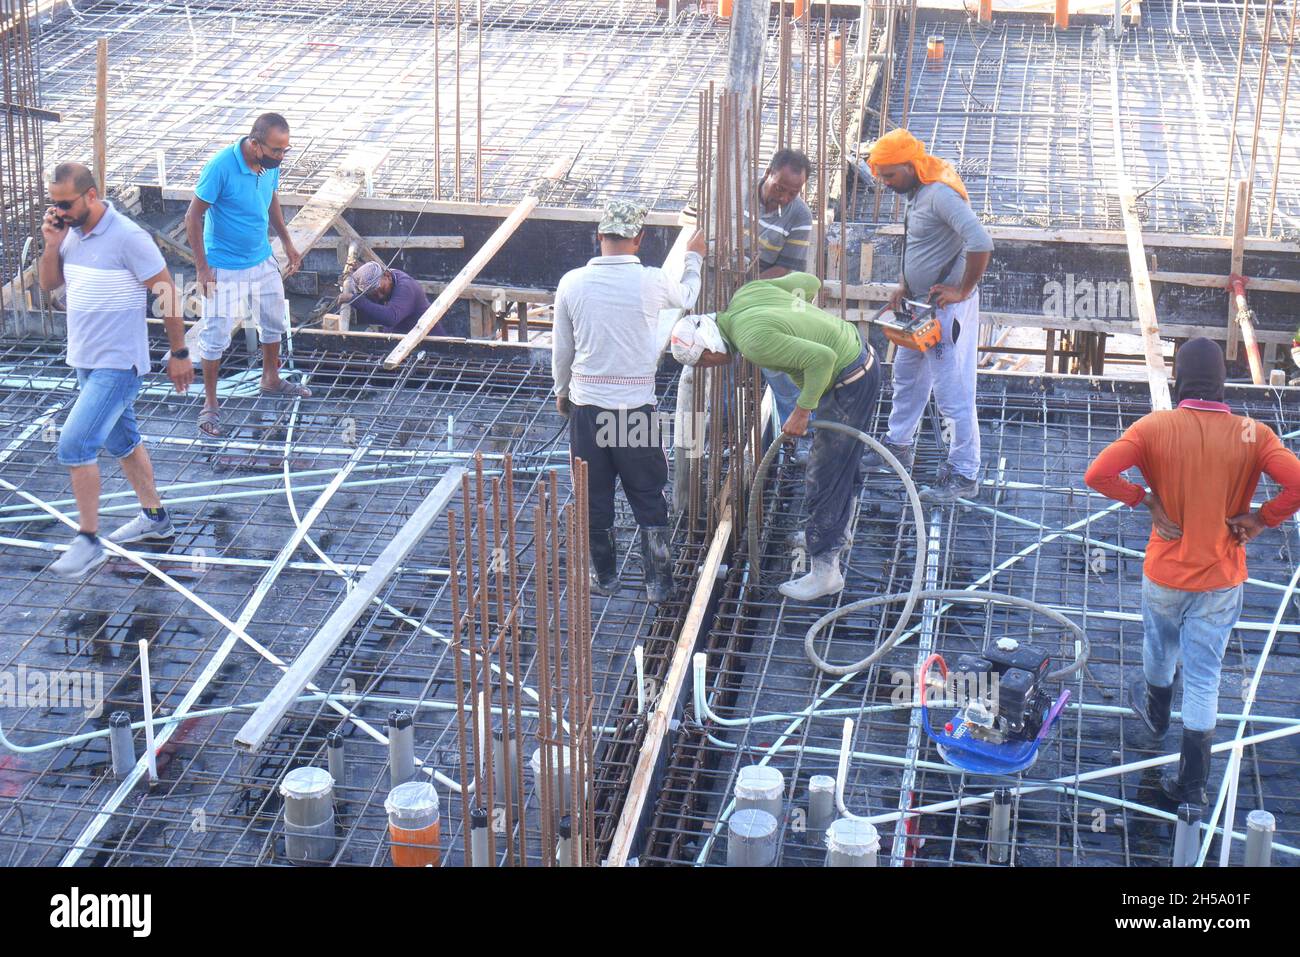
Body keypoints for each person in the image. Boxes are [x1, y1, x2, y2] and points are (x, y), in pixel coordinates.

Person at [1084, 338, 1300, 806]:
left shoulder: (1154, 427)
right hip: (1221, 579)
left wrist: (1144, 499)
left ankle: (1156, 717)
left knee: (1159, 647)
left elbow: (1097, 474)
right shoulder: (1254, 433)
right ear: (1223, 382)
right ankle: (1191, 785)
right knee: (1205, 675)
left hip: (1165, 573)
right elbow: (1298, 483)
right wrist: (1263, 518)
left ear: (1179, 380)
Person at [671, 271, 881, 601]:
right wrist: (797, 321)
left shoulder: (753, 342)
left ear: (709, 348)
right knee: (843, 465)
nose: (710, 366)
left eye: (705, 362)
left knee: (825, 475)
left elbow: (822, 359)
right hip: (859, 359)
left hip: (849, 381)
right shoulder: (744, 296)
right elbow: (810, 283)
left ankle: (826, 573)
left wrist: (801, 411)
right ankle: (837, 534)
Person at [38, 162, 194, 578]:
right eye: (54, 204)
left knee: (74, 446)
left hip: (118, 364)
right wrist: (52, 244)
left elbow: (165, 291)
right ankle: (156, 519)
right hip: (85, 361)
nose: (59, 211)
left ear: (90, 195)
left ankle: (88, 540)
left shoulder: (128, 237)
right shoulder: (68, 233)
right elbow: (49, 285)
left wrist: (179, 352)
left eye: (65, 204)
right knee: (124, 442)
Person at [552, 200, 705, 603]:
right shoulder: (652, 281)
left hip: (587, 411)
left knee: (593, 496)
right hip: (633, 412)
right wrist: (694, 258)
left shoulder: (571, 282)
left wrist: (561, 392)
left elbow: (562, 349)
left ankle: (604, 577)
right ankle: (659, 583)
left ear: (599, 236)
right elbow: (689, 296)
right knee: (647, 494)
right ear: (639, 239)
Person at [863, 128, 994, 504]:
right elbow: (925, 244)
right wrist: (905, 281)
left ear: (909, 165)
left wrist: (963, 289)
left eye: (889, 175)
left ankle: (964, 473)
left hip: (944, 311)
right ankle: (898, 447)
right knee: (906, 378)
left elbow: (981, 242)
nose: (885, 183)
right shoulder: (917, 190)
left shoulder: (939, 194)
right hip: (919, 307)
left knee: (952, 393)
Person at [186, 112, 309, 437]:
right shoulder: (220, 166)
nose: (281, 158)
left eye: (285, 151)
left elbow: (271, 200)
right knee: (216, 335)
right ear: (255, 145)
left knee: (273, 321)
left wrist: (285, 240)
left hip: (261, 257)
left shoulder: (269, 166)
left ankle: (270, 378)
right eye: (276, 151)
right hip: (224, 265)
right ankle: (210, 404)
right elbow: (193, 217)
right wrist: (202, 268)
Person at [750, 149, 815, 435]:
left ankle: (795, 437)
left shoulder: (799, 214)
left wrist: (747, 289)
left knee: (777, 366)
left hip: (765, 293)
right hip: (721, 287)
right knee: (720, 361)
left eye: (793, 192)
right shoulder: (736, 192)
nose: (785, 197)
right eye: (780, 188)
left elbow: (786, 268)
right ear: (768, 172)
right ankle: (723, 426)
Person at [343, 261, 433, 335]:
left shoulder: (406, 287)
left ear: (387, 276)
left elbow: (391, 318)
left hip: (428, 344)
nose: (380, 296)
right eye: (374, 294)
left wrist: (355, 300)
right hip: (398, 342)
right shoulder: (389, 279)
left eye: (382, 290)